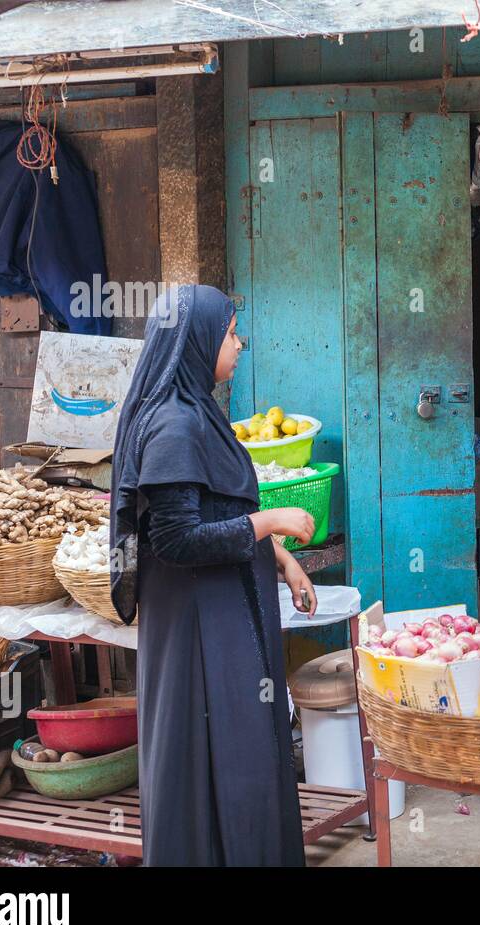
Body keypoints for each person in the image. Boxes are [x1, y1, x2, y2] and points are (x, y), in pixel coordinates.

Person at [110, 284, 318, 866]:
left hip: (224, 615)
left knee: (243, 754)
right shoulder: (174, 425)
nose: (239, 341)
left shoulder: (197, 409)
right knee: (218, 761)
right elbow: (175, 540)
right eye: (230, 331)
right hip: (200, 631)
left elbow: (216, 513)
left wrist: (278, 555)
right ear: (198, 339)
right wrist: (270, 518)